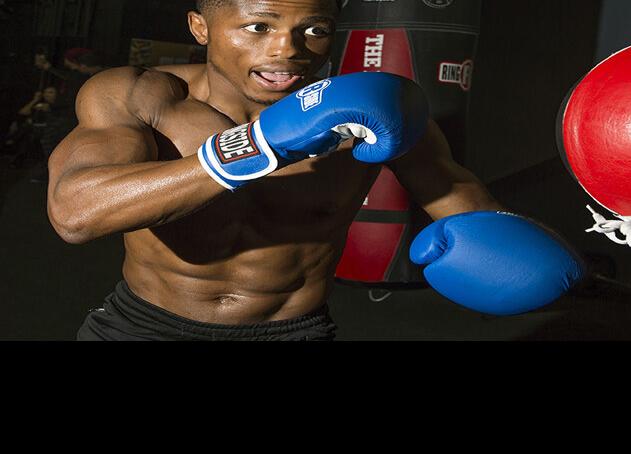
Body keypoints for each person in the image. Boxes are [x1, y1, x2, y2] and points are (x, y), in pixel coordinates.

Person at [47, 0, 583, 341]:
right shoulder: (139, 95)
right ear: (200, 26)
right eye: (258, 26)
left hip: (291, 331)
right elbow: (76, 212)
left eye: (315, 29)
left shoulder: (375, 110)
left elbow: (466, 204)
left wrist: (526, 251)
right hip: (143, 327)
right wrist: (259, 146)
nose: (288, 50)